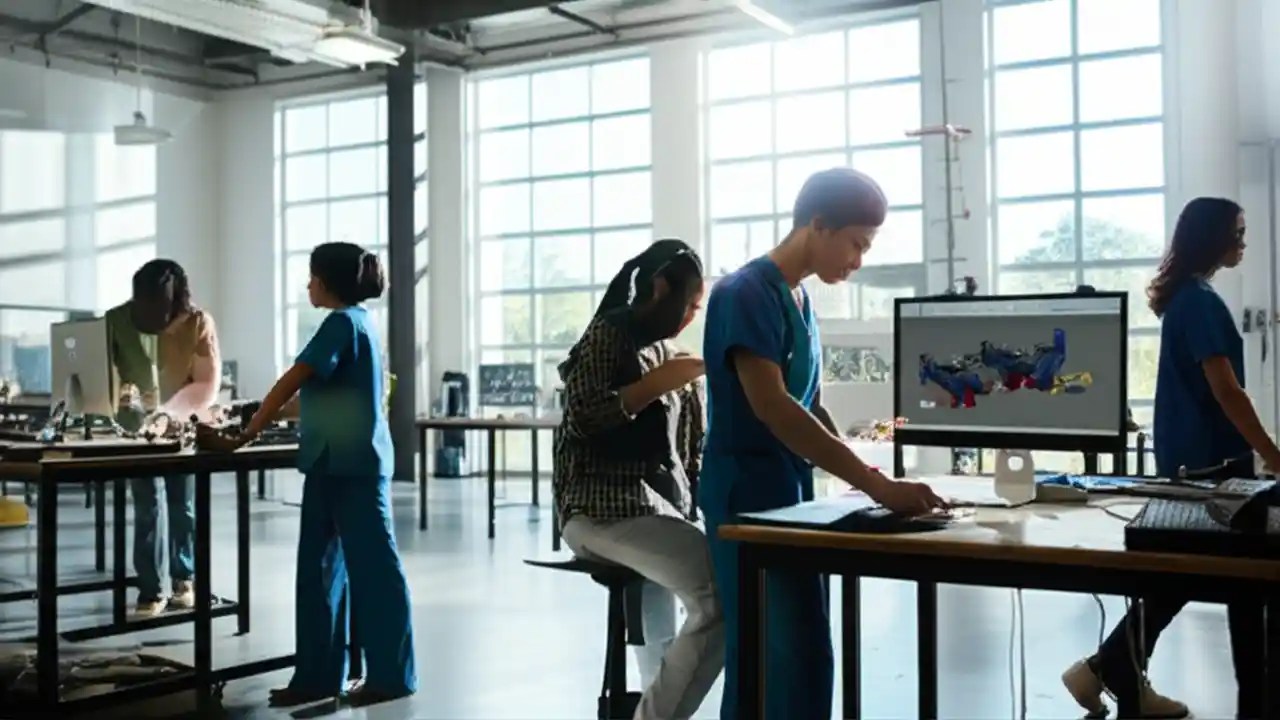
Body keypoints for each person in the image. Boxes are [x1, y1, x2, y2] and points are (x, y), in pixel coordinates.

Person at [699, 168, 946, 720]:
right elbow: (774, 407)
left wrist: (861, 478)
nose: (858, 261)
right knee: (768, 656)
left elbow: (808, 404)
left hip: (788, 492)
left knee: (806, 651)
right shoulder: (743, 293)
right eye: (856, 244)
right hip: (745, 494)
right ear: (817, 225)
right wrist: (877, 485)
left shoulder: (800, 299)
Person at [1062, 197, 1280, 720]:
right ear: (1213, 237)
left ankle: (1110, 666)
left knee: (1185, 581)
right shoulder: (1200, 302)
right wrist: (1274, 454)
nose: (1243, 242)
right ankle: (1253, 700)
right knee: (1237, 585)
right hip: (1213, 469)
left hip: (1193, 461)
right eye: (1237, 233)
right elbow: (1227, 392)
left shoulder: (1188, 297)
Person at [199, 242, 416, 708]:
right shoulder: (358, 323)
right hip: (329, 465)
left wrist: (247, 432)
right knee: (319, 574)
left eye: (312, 277)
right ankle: (318, 676)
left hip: (353, 468)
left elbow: (291, 381)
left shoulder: (341, 323)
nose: (307, 285)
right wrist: (256, 414)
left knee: (371, 573)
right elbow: (315, 397)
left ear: (326, 281)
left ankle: (390, 677)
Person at [554, 239, 724, 720]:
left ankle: (656, 702)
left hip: (650, 509)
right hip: (596, 510)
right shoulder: (609, 335)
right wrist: (652, 386)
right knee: (720, 596)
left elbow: (689, 451)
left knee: (694, 599)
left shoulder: (670, 354)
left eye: (698, 310)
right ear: (660, 288)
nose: (690, 317)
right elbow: (583, 416)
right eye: (689, 304)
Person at [105, 259, 221, 617]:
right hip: (134, 430)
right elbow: (101, 374)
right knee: (147, 506)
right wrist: (114, 396)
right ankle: (150, 588)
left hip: (179, 429)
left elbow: (206, 383)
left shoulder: (197, 322)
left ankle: (184, 578)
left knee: (182, 506)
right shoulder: (117, 320)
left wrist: (170, 413)